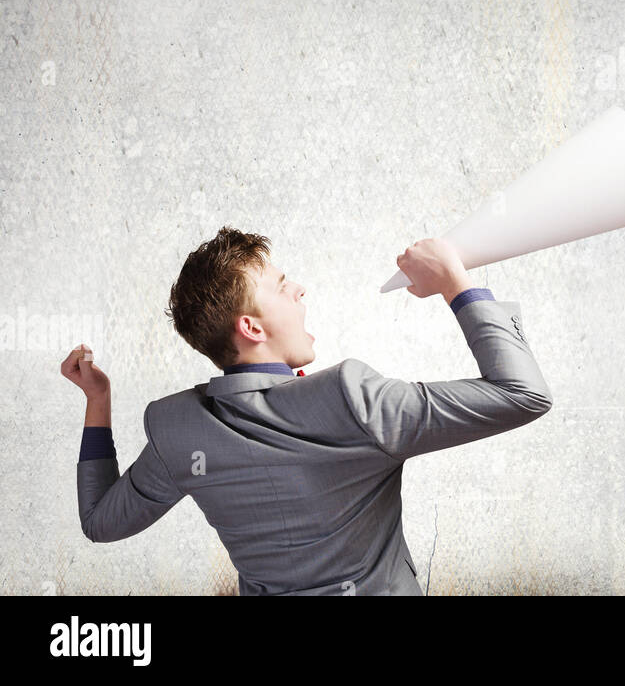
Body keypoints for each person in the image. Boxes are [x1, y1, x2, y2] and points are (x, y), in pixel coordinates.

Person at [61, 227, 551, 595]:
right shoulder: (352, 400)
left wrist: (98, 402)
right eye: (282, 286)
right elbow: (522, 393)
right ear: (251, 328)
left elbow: (100, 522)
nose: (299, 291)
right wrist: (455, 282)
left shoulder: (179, 428)